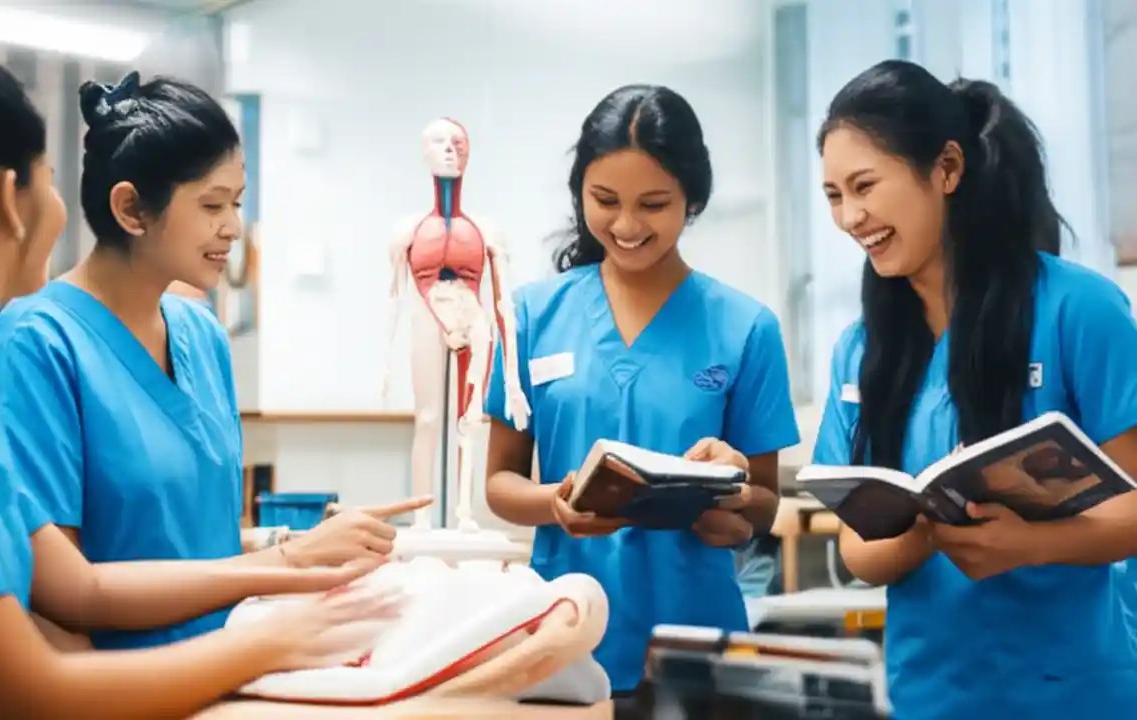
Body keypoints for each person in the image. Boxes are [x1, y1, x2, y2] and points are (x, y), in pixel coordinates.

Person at [0, 7, 400, 718]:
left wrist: (288, 566)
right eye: (49, 179)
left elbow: (74, 589)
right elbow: (19, 686)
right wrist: (273, 637)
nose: (62, 204)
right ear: (5, 200)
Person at [0, 69, 429, 651]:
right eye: (213, 204)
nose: (234, 228)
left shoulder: (201, 335)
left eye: (237, 202)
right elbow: (49, 603)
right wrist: (288, 561)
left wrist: (300, 544)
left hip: (225, 671)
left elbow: (186, 542)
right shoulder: (36, 344)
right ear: (132, 209)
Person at [813, 59, 1137, 719]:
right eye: (833, 195)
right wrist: (925, 531)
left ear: (948, 169)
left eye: (865, 185)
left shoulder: (1079, 309)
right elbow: (855, 549)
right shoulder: (860, 349)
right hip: (929, 695)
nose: (850, 217)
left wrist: (1031, 544)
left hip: (1073, 694)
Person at [482, 84, 801, 702]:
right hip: (564, 638)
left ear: (693, 199)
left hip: (695, 645)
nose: (626, 226)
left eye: (653, 204)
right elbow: (499, 484)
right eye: (605, 200)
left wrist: (733, 509)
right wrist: (557, 503)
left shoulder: (745, 327)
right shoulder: (529, 316)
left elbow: (764, 504)